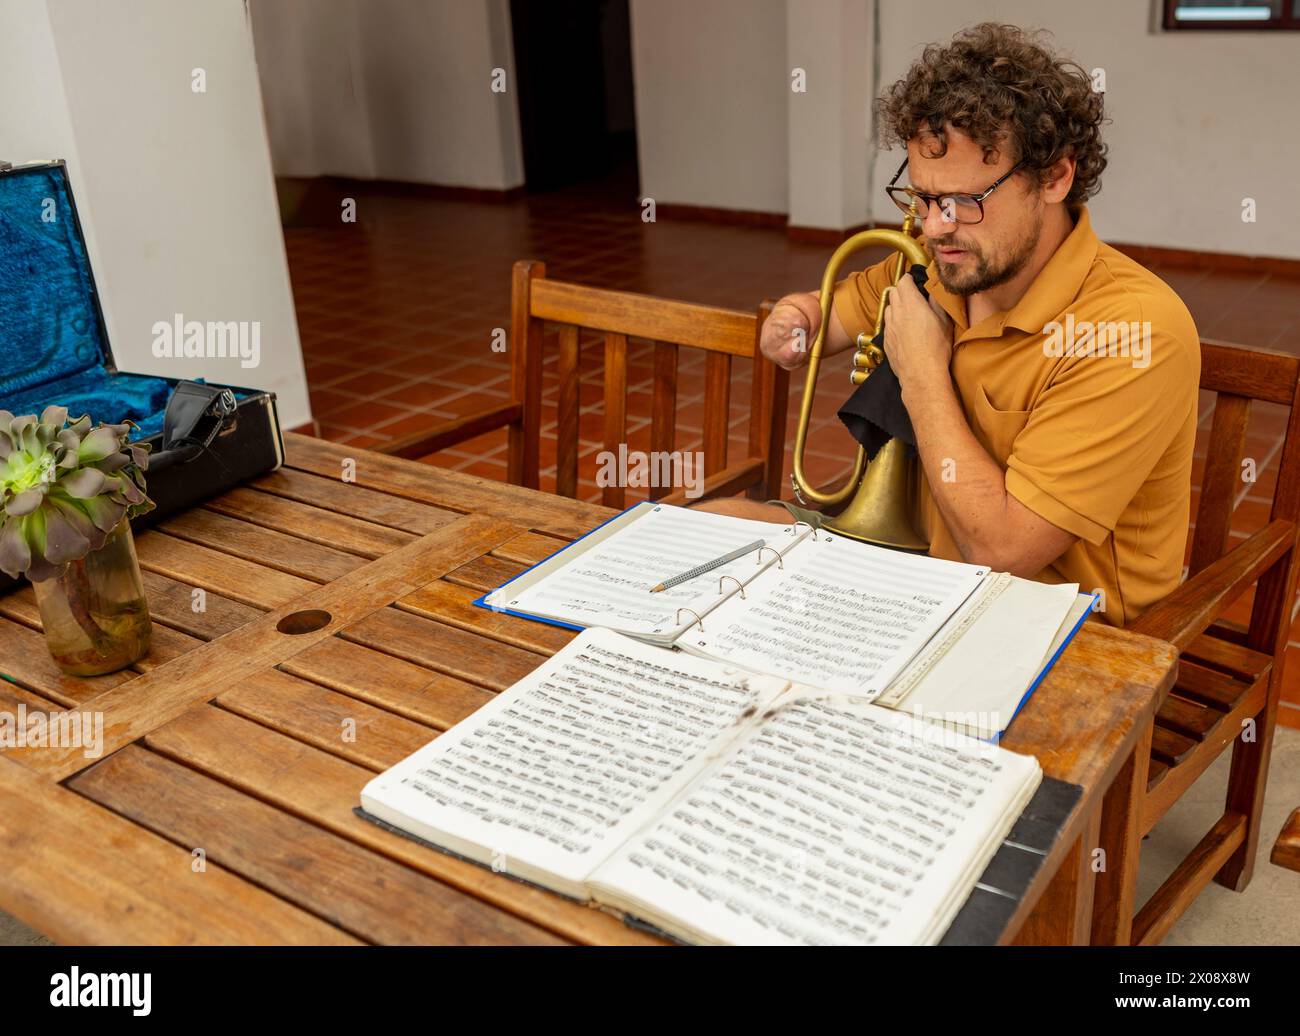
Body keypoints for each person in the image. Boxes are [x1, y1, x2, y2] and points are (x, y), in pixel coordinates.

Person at [697, 22, 1199, 627]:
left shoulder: (1132, 330)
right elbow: (832, 314)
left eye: (963, 201)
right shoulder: (944, 263)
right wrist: (797, 319)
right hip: (915, 575)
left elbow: (1004, 550)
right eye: (922, 198)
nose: (934, 227)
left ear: (1055, 178)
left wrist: (921, 371)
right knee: (703, 530)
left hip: (1049, 627)